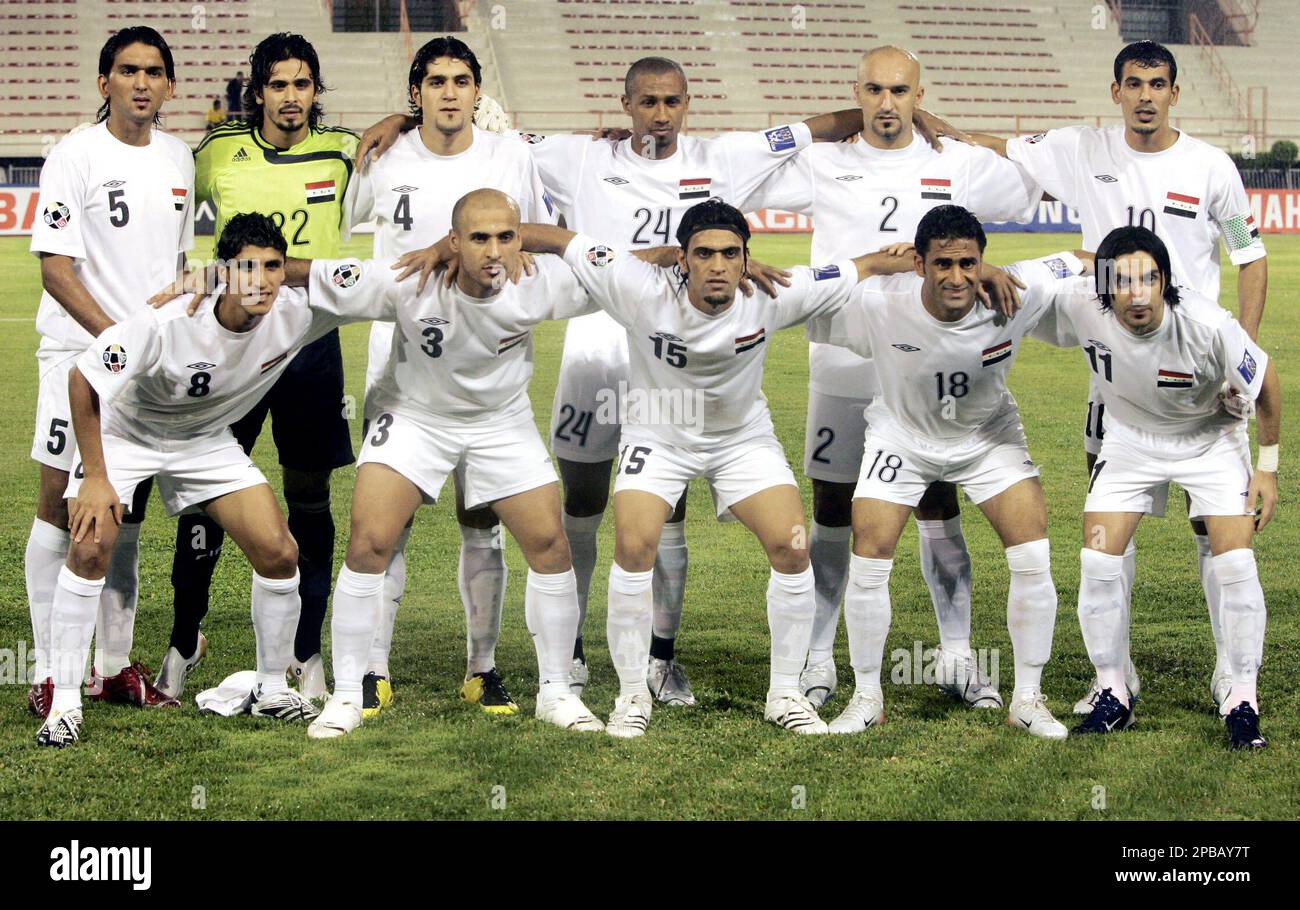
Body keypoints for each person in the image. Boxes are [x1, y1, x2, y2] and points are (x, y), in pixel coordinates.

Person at [368, 54, 931, 707]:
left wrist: (926, 118)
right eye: (648, 102)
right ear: (627, 105)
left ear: (687, 103)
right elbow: (469, 130)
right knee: (577, 503)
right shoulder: (578, 155)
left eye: (672, 102)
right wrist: (401, 118)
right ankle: (569, 652)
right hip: (597, 347)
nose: (660, 115)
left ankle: (660, 660)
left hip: (675, 355)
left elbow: (822, 124)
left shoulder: (725, 157)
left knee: (668, 508)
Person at [508, 199, 950, 737]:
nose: (717, 265)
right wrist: (465, 245)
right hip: (658, 434)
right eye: (704, 254)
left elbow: (860, 268)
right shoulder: (634, 284)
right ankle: (630, 697)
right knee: (633, 544)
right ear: (683, 260)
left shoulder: (773, 294)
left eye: (730, 254)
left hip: (742, 439)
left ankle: (784, 693)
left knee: (792, 546)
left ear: (746, 260)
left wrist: (906, 259)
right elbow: (558, 239)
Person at [939, 40, 1269, 715]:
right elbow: (996, 143)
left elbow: (1250, 256)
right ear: (1115, 92)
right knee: (1111, 530)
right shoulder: (1081, 149)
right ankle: (1115, 675)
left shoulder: (1212, 168)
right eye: (1133, 83)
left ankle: (1233, 676)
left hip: (1201, 375)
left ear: (1175, 92)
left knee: (1216, 531)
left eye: (1157, 83)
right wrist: (925, 120)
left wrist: (1243, 350)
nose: (1145, 95)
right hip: (1115, 370)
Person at [748, 45, 1042, 711]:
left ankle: (958, 657)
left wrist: (966, 133)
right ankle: (821, 658)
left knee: (939, 505)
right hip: (843, 361)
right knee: (832, 510)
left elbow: (1042, 178)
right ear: (858, 92)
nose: (886, 104)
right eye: (874, 91)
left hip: (924, 364)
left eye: (900, 91)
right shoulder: (824, 163)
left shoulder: (955, 165)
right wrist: (825, 123)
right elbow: (733, 175)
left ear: (919, 95)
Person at [36, 212, 376, 746]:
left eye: (272, 267)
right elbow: (84, 378)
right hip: (129, 432)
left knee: (279, 551)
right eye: (246, 268)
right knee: (91, 545)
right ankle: (64, 704)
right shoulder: (168, 321)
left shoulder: (298, 311)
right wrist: (97, 477)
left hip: (204, 441)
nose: (261, 280)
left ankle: (270, 688)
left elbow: (380, 282)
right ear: (222, 272)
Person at [307, 188, 605, 738]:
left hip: (501, 422)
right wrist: (220, 276)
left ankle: (557, 692)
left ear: (522, 240)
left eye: (506, 237)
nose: (494, 251)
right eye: (479, 238)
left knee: (550, 545)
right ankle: (347, 696)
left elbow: (631, 270)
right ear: (452, 243)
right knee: (369, 542)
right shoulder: (408, 281)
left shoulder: (542, 282)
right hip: (416, 416)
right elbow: (308, 274)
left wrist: (691, 256)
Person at [805, 205, 1086, 739]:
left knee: (1032, 555)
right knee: (870, 552)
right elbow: (802, 298)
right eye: (942, 265)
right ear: (919, 264)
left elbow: (1080, 258)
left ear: (983, 263)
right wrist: (870, 263)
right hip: (902, 439)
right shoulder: (879, 303)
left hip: (987, 439)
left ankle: (1027, 697)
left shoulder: (1015, 292)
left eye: (968, 264)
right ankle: (867, 696)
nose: (956, 277)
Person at [342, 36, 556, 719]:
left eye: (461, 80)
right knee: (386, 524)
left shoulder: (509, 155)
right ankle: (372, 669)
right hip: (402, 366)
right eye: (435, 81)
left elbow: (540, 234)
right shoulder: (382, 155)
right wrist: (394, 126)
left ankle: (483, 667)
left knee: (481, 515)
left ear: (477, 90)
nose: (449, 93)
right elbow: (347, 235)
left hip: (489, 364)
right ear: (415, 92)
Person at [159, 34, 359, 703]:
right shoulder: (217, 152)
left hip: (308, 348)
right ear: (257, 90)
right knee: (204, 499)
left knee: (309, 498)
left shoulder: (344, 149)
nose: (292, 97)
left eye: (303, 84)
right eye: (279, 84)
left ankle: (306, 651)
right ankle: (185, 638)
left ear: (315, 91)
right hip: (233, 348)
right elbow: (189, 226)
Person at [1029, 227, 1278, 749]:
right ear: (1104, 285)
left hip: (1210, 441)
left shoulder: (1210, 325)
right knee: (1098, 560)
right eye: (1121, 281)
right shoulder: (1083, 306)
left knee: (1235, 563)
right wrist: (991, 273)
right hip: (1130, 443)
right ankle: (1114, 691)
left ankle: (1242, 698)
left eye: (1149, 279)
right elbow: (1046, 273)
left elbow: (1266, 382)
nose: (1136, 293)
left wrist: (1268, 467)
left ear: (1165, 281)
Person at [25, 25, 194, 720]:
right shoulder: (73, 155)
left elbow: (178, 272)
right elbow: (56, 269)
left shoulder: (180, 156)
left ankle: (115, 668)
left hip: (145, 364)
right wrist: (116, 343)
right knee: (62, 512)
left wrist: (161, 347)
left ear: (170, 86)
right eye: (128, 70)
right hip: (78, 356)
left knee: (123, 516)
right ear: (104, 83)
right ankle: (46, 671)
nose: (142, 82)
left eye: (155, 71)